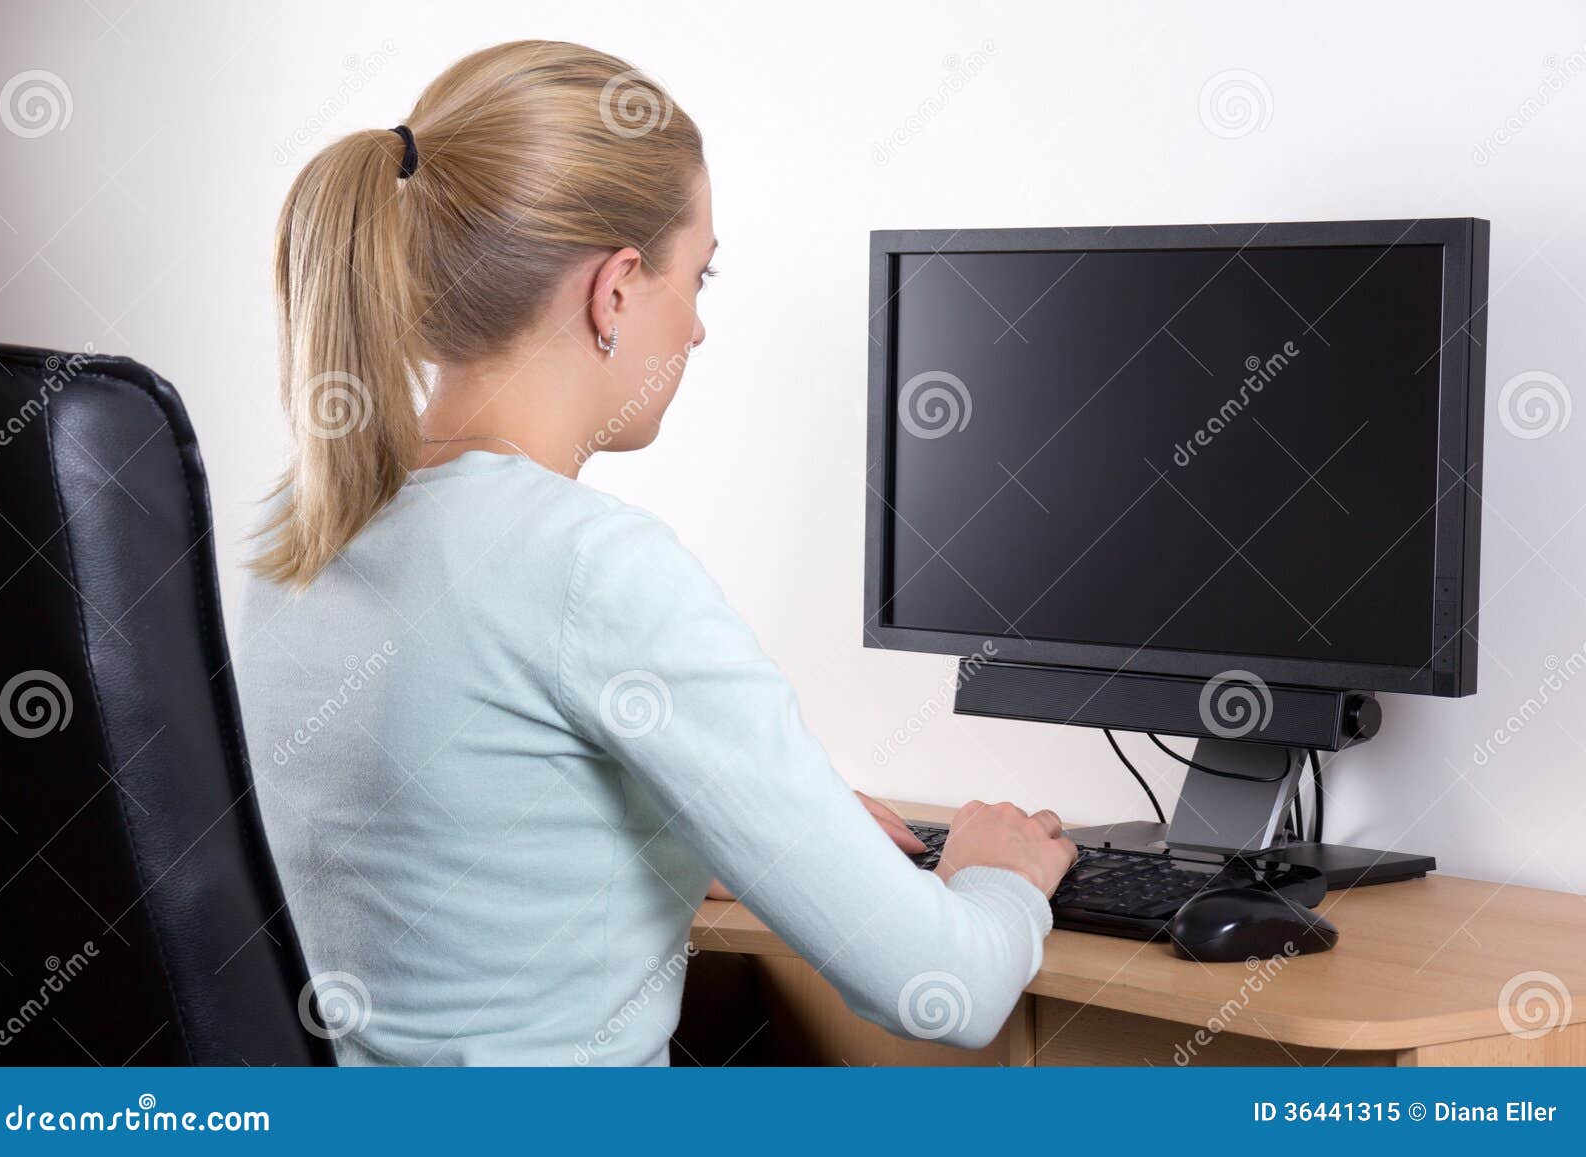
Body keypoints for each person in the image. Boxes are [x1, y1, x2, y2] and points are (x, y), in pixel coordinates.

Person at [236, 39, 1077, 1066]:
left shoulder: (305, 519)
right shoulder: (589, 565)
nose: (700, 327)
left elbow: (452, 838)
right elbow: (942, 990)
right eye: (698, 274)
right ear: (617, 289)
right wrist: (996, 872)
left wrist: (696, 830)